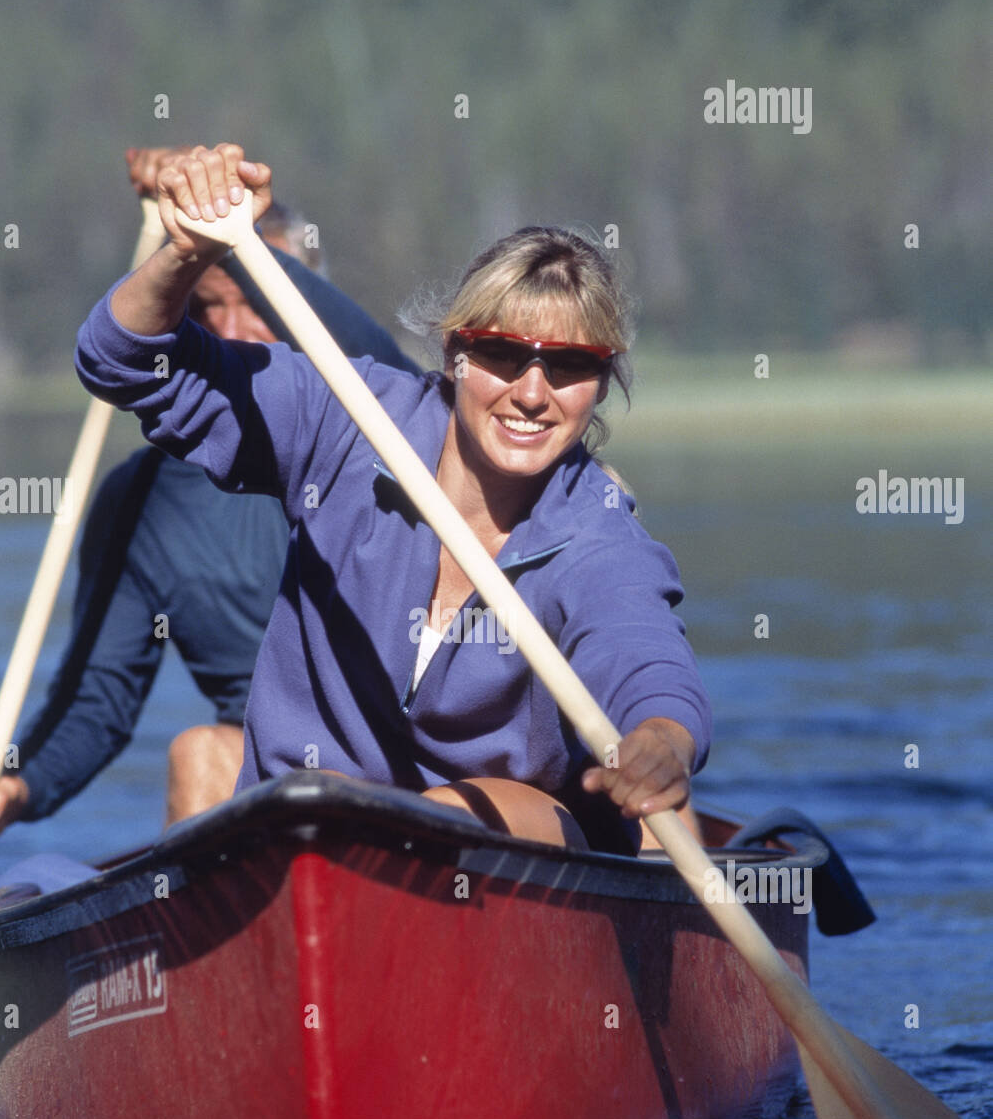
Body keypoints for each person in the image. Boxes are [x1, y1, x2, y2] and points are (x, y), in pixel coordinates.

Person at [74, 142, 711, 853]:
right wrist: (187, 252)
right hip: (303, 841)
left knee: (439, 813)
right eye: (502, 353)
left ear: (601, 382)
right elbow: (121, 360)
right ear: (455, 354)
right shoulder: (346, 420)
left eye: (568, 366)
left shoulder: (596, 534)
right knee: (228, 772)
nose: (531, 394)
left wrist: (660, 740)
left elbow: (644, 657)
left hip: (511, 852)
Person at [0, 151, 418, 868]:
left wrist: (230, 228)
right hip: (270, 778)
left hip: (420, 763)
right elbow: (98, 704)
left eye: (256, 302)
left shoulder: (387, 431)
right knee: (200, 755)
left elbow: (373, 356)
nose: (232, 333)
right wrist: (14, 788)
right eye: (206, 307)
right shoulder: (139, 503)